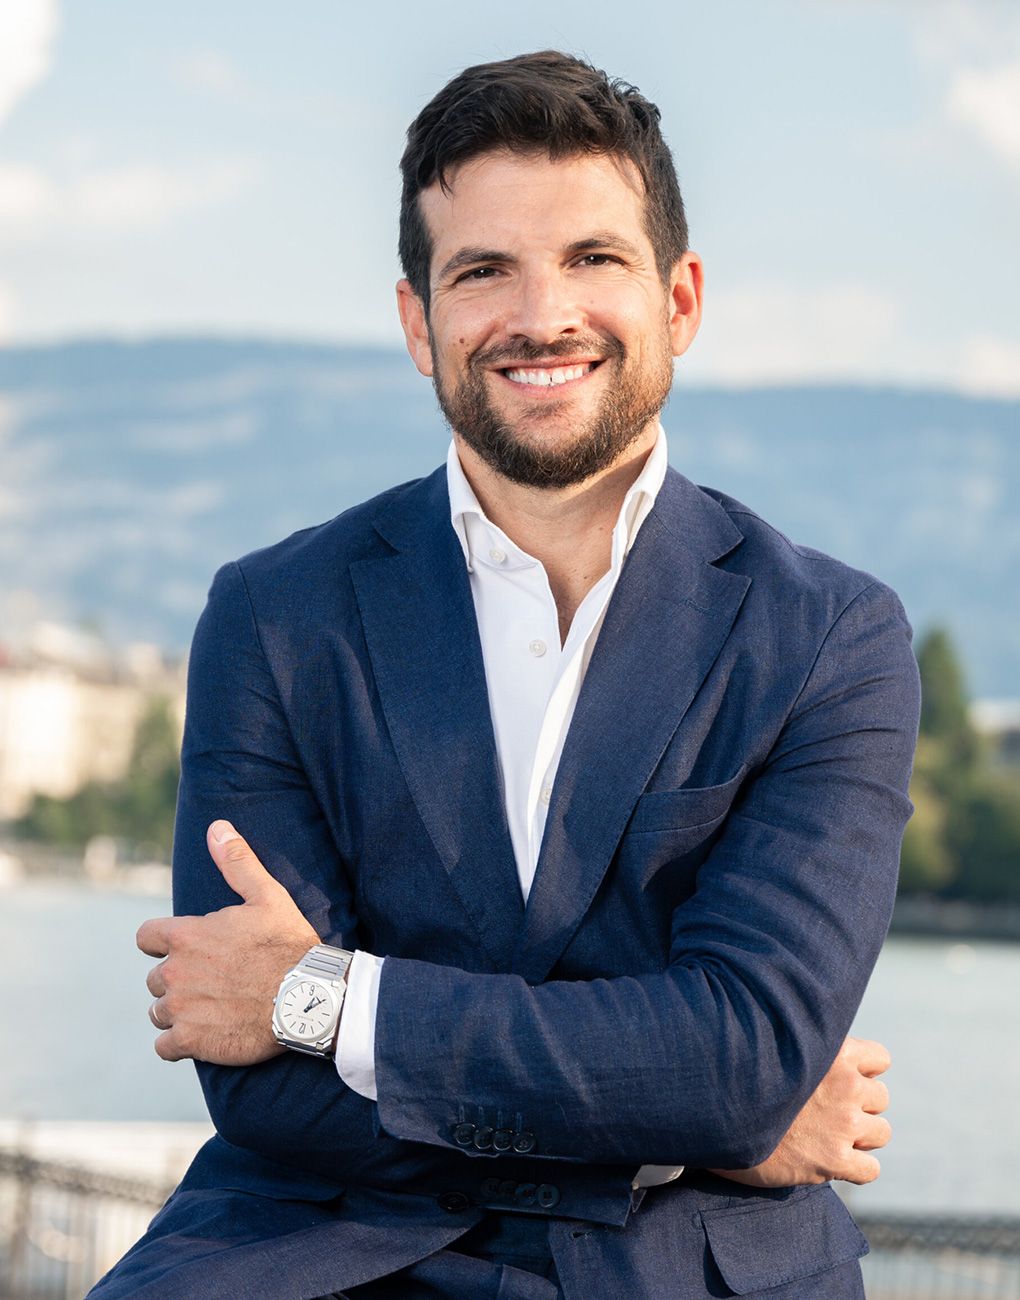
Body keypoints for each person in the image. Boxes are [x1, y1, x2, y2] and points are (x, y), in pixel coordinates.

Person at [89, 50, 919, 1300]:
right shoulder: (272, 616)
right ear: (418, 321)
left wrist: (327, 999)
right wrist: (689, 1126)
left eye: (593, 258)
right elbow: (255, 1079)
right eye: (482, 270)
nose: (542, 315)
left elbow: (743, 1060)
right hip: (324, 1253)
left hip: (682, 1271)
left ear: (680, 299)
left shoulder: (831, 637)